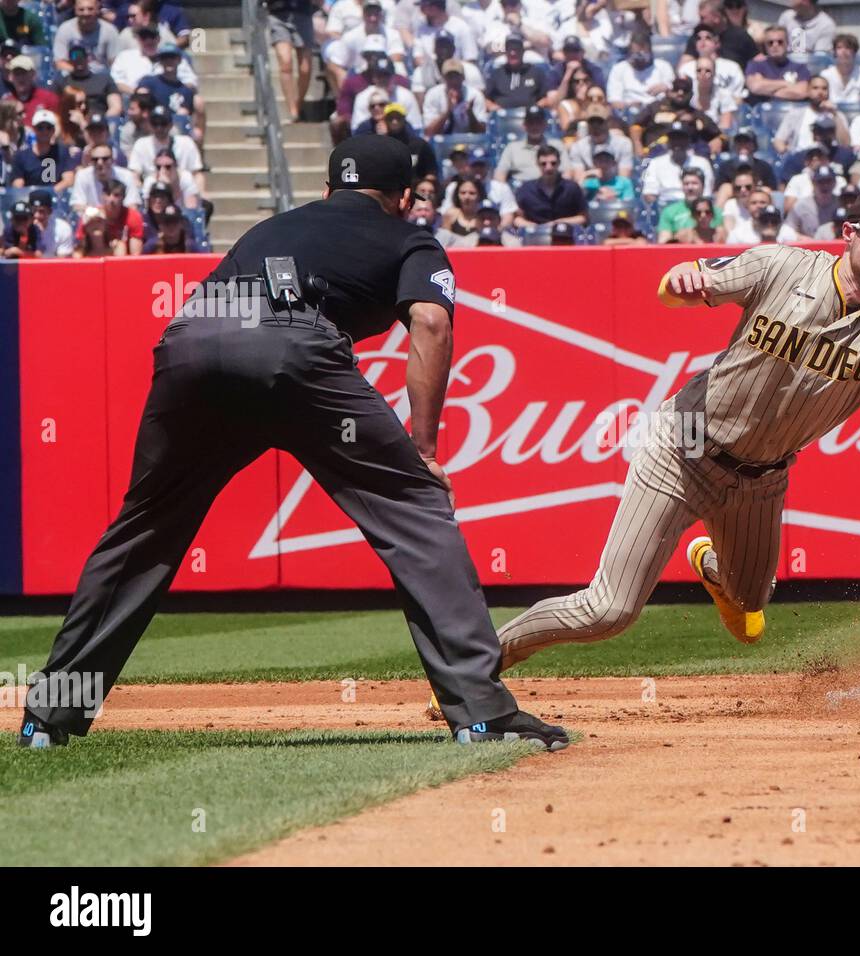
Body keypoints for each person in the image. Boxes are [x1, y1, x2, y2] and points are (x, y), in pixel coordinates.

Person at [18, 135, 569, 752]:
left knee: (146, 528)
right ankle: (480, 711)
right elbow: (433, 322)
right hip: (295, 353)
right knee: (416, 509)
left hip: (192, 342)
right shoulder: (410, 236)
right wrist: (424, 447)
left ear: (328, 189)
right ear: (406, 197)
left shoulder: (273, 226)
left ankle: (50, 715)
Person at [494, 185, 860, 669]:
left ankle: (711, 565)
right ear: (849, 233)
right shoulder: (781, 265)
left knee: (750, 618)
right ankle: (480, 667)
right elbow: (673, 286)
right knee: (609, 611)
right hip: (684, 447)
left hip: (761, 481)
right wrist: (680, 283)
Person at [136, 42, 205, 144]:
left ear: (179, 60)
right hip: (152, 127)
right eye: (165, 58)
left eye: (172, 57)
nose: (169, 61)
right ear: (160, 61)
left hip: (175, 132)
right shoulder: (149, 82)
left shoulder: (185, 90)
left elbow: (186, 117)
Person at [514, 143, 587, 227]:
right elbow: (517, 219)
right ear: (537, 164)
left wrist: (559, 223)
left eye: (553, 163)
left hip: (565, 236)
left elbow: (583, 218)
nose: (548, 167)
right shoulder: (526, 189)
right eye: (543, 164)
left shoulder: (572, 188)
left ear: (559, 163)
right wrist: (536, 228)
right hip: (534, 237)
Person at [266, 0, 317, 123]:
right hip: (278, 14)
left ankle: (298, 104)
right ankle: (292, 110)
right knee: (285, 63)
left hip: (302, 12)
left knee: (305, 68)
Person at [771, 75, 848, 155]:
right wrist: (788, 154)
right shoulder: (795, 114)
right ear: (808, 91)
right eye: (815, 88)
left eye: (824, 88)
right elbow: (778, 141)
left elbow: (845, 144)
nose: (820, 92)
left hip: (829, 160)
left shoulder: (837, 115)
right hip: (801, 160)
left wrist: (834, 114)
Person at [640, 121, 713, 204]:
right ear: (668, 142)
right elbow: (649, 193)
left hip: (695, 207)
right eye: (673, 138)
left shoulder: (702, 163)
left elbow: (707, 194)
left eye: (681, 138)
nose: (677, 143)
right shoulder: (655, 163)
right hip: (665, 207)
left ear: (688, 141)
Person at [11, 109, 78, 191]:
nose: (44, 131)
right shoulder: (21, 156)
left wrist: (48, 195)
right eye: (40, 128)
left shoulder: (63, 152)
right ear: (34, 129)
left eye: (48, 128)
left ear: (53, 130)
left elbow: (68, 180)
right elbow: (18, 184)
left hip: (55, 199)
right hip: (30, 200)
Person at [606, 32, 674, 109]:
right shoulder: (619, 69)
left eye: (644, 53)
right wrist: (628, 105)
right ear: (630, 51)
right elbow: (614, 101)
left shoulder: (663, 66)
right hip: (631, 112)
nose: (640, 58)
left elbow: (674, 92)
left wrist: (666, 87)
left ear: (650, 51)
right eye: (637, 54)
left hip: (658, 110)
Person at [744, 24, 809, 105]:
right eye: (770, 43)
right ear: (765, 45)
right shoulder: (755, 65)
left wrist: (765, 88)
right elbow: (755, 87)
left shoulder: (800, 67)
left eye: (780, 42)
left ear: (787, 44)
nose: (775, 45)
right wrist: (787, 83)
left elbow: (801, 92)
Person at [420, 57, 486, 134]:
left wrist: (470, 114)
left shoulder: (474, 95)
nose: (454, 81)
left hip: (468, 142)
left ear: (463, 77)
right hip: (442, 143)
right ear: (443, 78)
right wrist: (447, 112)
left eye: (457, 76)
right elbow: (429, 132)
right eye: (450, 77)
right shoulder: (433, 95)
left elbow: (481, 132)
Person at [55, 43, 123, 118]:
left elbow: (116, 107)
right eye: (74, 56)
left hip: (99, 124)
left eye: (81, 56)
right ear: (69, 60)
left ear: (88, 58)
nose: (78, 59)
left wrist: (101, 122)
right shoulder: (62, 83)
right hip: (72, 124)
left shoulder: (104, 80)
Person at [484, 32, 549, 109]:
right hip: (503, 117)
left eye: (516, 49)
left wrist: (536, 108)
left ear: (522, 52)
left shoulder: (536, 72)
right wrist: (493, 107)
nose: (513, 53)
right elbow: (486, 99)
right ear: (505, 52)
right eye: (509, 50)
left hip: (530, 118)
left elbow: (546, 98)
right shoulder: (496, 73)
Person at [54, 0, 120, 72]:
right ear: (75, 10)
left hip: (101, 78)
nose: (86, 13)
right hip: (74, 76)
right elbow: (59, 63)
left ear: (98, 10)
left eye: (90, 9)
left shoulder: (110, 31)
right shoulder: (65, 29)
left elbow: (115, 63)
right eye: (81, 9)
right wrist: (83, 73)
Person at [655, 167, 717, 240]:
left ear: (703, 186)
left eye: (694, 183)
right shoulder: (669, 211)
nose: (690, 187)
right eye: (686, 184)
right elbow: (663, 242)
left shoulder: (715, 212)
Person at [820, 33, 860, 104]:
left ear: (854, 51)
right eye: (839, 48)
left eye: (848, 48)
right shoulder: (825, 75)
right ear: (834, 52)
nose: (843, 51)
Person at [29, 189, 75, 256]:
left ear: (50, 211)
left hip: (53, 266)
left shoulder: (63, 229)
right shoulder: (22, 227)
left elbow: (63, 262)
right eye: (33, 211)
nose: (36, 215)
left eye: (41, 211)